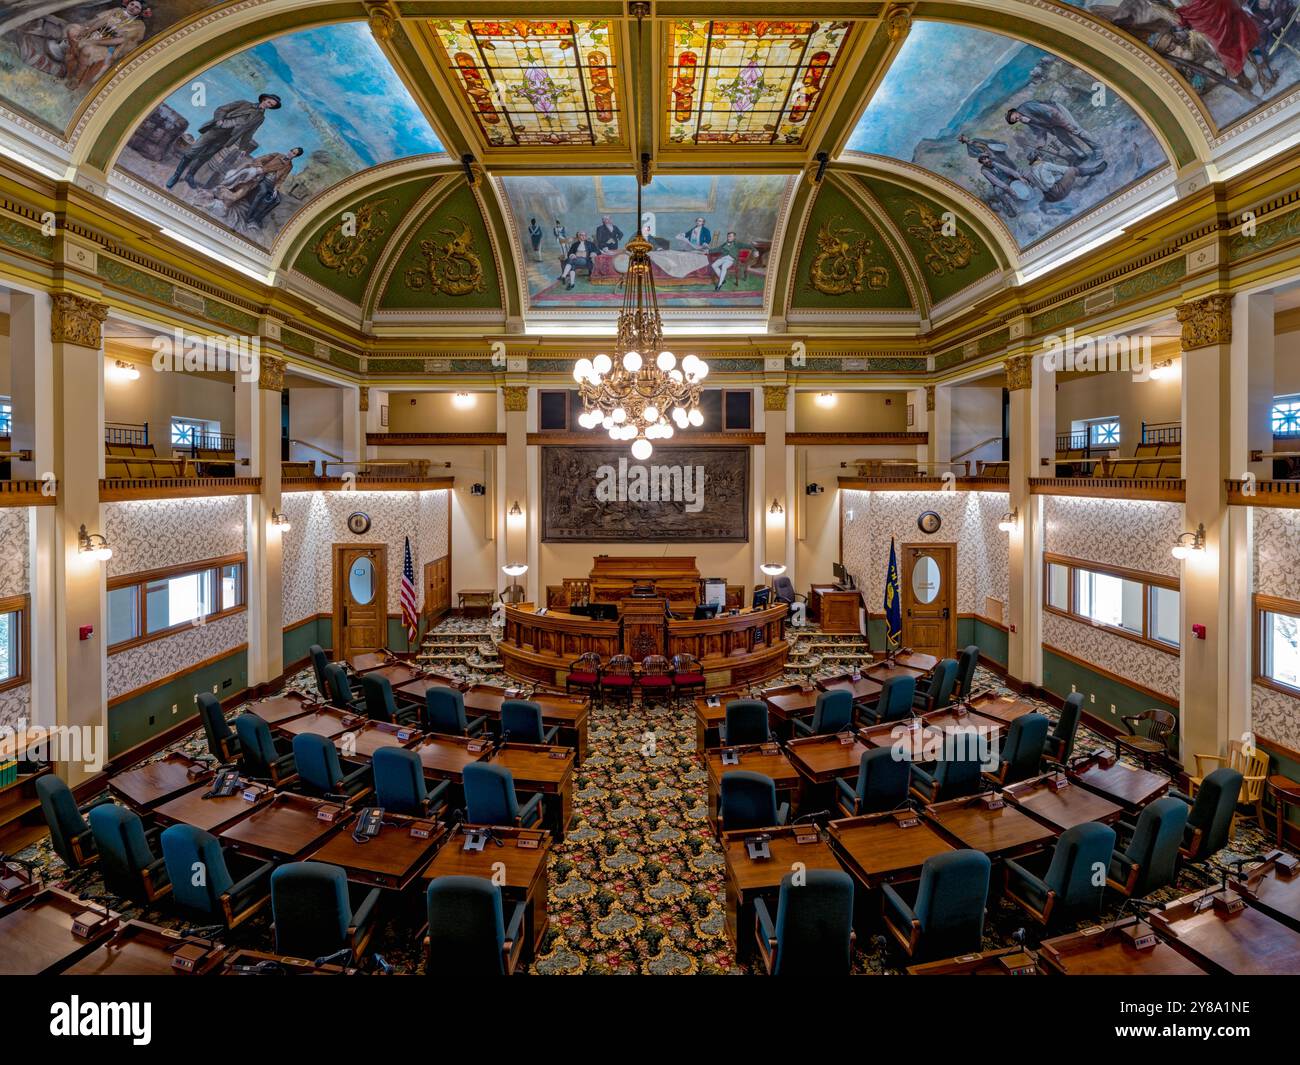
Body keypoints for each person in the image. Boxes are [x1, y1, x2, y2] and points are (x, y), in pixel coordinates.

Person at [166, 94, 282, 189]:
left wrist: (243, 148)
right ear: (264, 99)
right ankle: (176, 176)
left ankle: (190, 175)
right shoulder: (244, 103)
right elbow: (222, 109)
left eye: (271, 106)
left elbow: (249, 133)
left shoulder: (260, 118)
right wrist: (219, 120)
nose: (269, 106)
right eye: (269, 102)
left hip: (227, 138)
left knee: (205, 156)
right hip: (216, 130)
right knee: (193, 151)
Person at [62, 0, 149, 89]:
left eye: (137, 7)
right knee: (72, 30)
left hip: (108, 46)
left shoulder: (139, 26)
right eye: (132, 4)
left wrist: (94, 42)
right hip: (94, 34)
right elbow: (100, 20)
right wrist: (86, 30)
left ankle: (76, 78)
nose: (132, 7)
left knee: (86, 50)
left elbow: (121, 40)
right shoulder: (117, 11)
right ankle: (68, 66)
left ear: (141, 12)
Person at [217, 147, 303, 228]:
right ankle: (248, 216)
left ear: (296, 156)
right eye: (292, 151)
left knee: (277, 200)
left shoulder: (289, 166)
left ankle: (257, 219)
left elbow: (282, 178)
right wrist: (261, 168)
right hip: (263, 178)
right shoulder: (277, 155)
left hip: (272, 183)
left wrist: (276, 188)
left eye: (294, 153)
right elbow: (261, 159)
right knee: (262, 192)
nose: (291, 153)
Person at [1005, 100, 1100, 162]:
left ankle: (1097, 149)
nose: (1017, 120)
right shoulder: (1024, 120)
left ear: (1014, 112)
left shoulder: (1026, 107)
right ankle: (1081, 155)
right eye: (1014, 121)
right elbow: (1039, 131)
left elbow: (1051, 111)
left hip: (1057, 113)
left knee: (1076, 130)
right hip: (1051, 123)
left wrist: (1066, 124)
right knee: (1063, 138)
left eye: (1014, 117)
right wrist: (1040, 144)